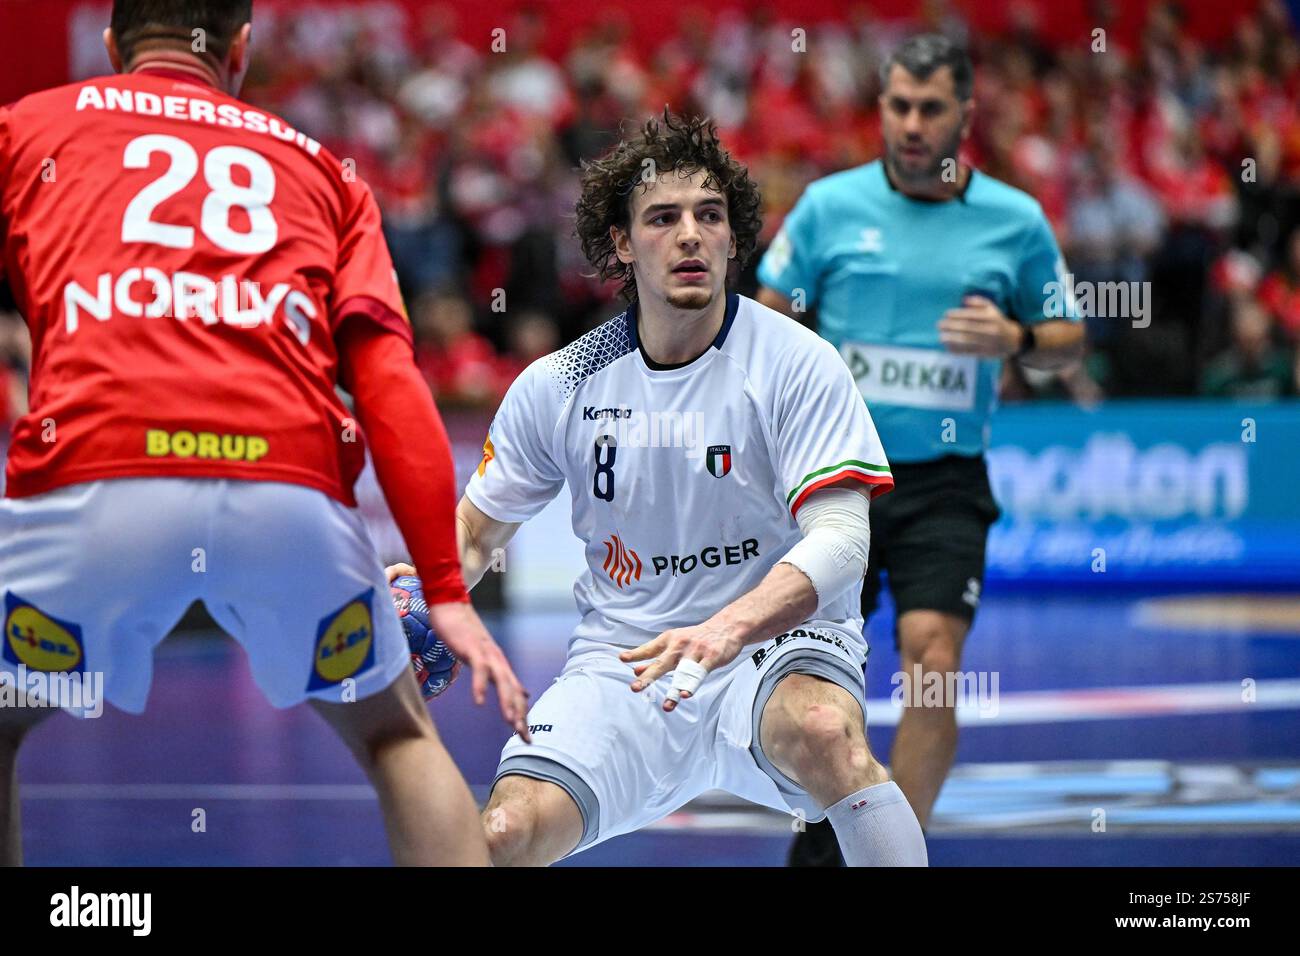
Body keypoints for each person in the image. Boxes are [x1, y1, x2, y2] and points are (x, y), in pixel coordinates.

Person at [0, 0, 528, 867]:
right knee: (398, 734)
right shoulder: (322, 167)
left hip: (97, 465)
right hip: (288, 483)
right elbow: (390, 381)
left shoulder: (28, 127)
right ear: (239, 50)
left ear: (110, 47)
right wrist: (446, 592)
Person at [392, 111, 928, 866]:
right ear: (621, 242)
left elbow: (843, 540)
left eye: (710, 216)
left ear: (734, 239)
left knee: (826, 735)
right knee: (506, 833)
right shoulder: (562, 382)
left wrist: (726, 630)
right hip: (623, 660)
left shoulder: (796, 363)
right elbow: (478, 533)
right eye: (662, 218)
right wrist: (427, 584)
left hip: (774, 651)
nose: (689, 236)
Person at [757, 34, 1084, 865]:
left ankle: (893, 852)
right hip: (834, 484)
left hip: (944, 484)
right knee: (817, 678)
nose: (910, 123)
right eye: (897, 105)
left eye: (930, 108)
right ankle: (834, 828)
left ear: (965, 115)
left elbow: (1068, 341)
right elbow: (767, 322)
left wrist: (1015, 335)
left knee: (932, 659)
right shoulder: (830, 207)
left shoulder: (1015, 221)